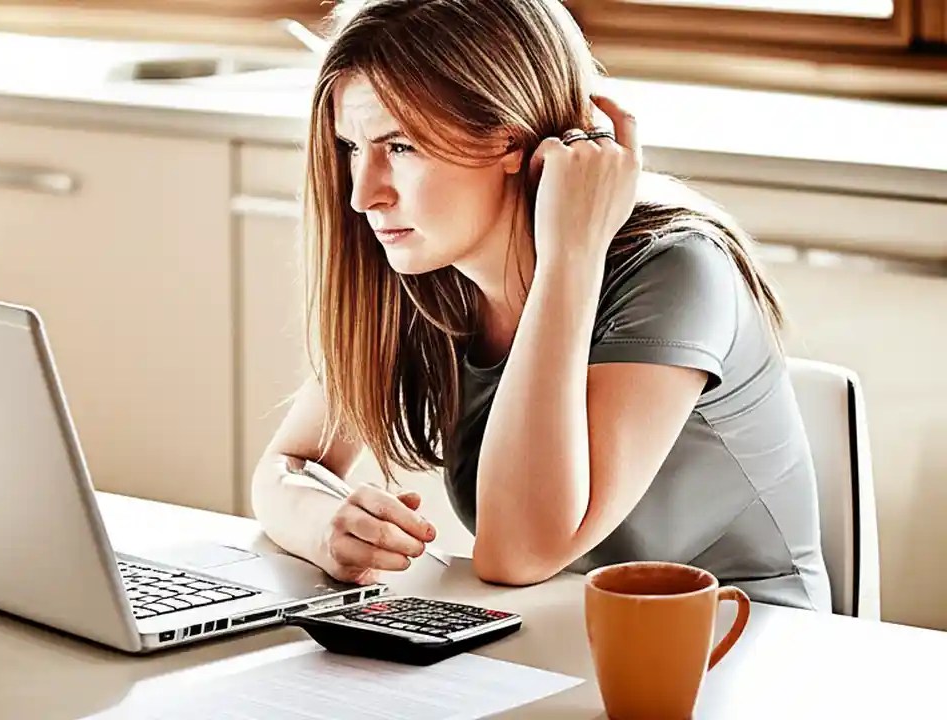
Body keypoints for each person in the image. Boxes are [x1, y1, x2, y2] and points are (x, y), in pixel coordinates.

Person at [249, 0, 831, 612]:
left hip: (745, 648)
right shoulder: (426, 271)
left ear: (508, 133)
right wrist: (325, 524)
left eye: (399, 147)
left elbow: (518, 551)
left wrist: (570, 255)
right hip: (565, 630)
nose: (364, 194)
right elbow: (287, 465)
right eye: (349, 147)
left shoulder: (677, 269)